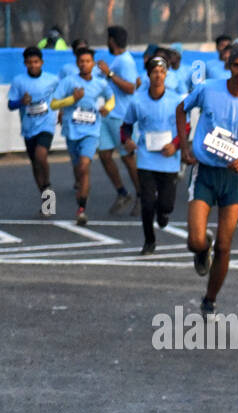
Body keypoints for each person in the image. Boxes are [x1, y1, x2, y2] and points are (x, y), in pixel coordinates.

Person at [181, 44, 238, 314]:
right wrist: (183, 145)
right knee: (195, 240)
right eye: (237, 65)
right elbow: (180, 108)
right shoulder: (208, 89)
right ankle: (201, 249)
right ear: (229, 65)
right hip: (204, 172)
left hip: (233, 176)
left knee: (226, 246)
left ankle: (210, 299)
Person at [120, 55, 182, 255]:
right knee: (147, 203)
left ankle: (163, 213)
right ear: (148, 75)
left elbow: (185, 127)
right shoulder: (137, 100)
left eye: (162, 72)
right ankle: (149, 241)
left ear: (166, 75)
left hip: (168, 159)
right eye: (155, 72)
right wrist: (127, 140)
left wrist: (175, 145)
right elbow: (126, 126)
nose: (158, 76)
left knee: (166, 205)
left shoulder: (175, 100)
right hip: (146, 158)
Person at [51, 47, 116, 226]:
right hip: (72, 131)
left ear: (93, 63)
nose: (84, 64)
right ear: (77, 63)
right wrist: (72, 99)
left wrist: (107, 108)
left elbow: (111, 98)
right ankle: (82, 189)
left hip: (91, 131)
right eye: (81, 61)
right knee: (78, 170)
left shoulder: (100, 83)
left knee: (84, 165)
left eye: (88, 61)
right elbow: (54, 104)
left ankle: (81, 209)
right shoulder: (68, 82)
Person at [8, 47, 60, 217]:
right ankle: (47, 198)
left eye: (36, 62)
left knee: (41, 156)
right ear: (25, 64)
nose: (33, 65)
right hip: (29, 128)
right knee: (35, 165)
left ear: (42, 63)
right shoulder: (19, 81)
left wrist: (62, 111)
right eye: (29, 62)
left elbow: (61, 95)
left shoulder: (52, 80)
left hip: (46, 124)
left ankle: (49, 185)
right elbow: (10, 105)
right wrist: (21, 101)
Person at [96, 26, 140, 216]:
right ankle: (122, 192)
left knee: (128, 158)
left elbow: (130, 88)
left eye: (108, 39)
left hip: (121, 117)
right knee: (105, 155)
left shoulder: (126, 61)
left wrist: (110, 74)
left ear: (112, 40)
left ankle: (142, 195)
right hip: (109, 115)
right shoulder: (118, 60)